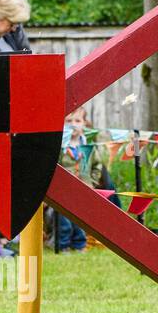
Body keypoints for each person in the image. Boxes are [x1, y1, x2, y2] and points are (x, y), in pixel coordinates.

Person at [47, 107, 100, 252]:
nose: (73, 124)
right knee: (64, 221)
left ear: (84, 123)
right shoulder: (60, 146)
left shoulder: (88, 146)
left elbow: (97, 165)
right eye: (68, 121)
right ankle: (62, 245)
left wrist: (92, 182)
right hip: (63, 193)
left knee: (81, 220)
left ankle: (79, 245)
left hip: (83, 190)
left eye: (77, 120)